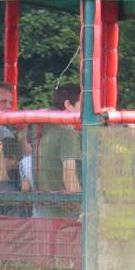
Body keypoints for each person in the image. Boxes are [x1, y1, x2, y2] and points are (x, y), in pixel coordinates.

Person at [35, 83, 82, 218]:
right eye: (83, 105)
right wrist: (85, 211)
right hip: (65, 217)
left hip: (44, 215)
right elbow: (70, 180)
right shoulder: (68, 134)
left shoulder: (45, 132)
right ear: (68, 105)